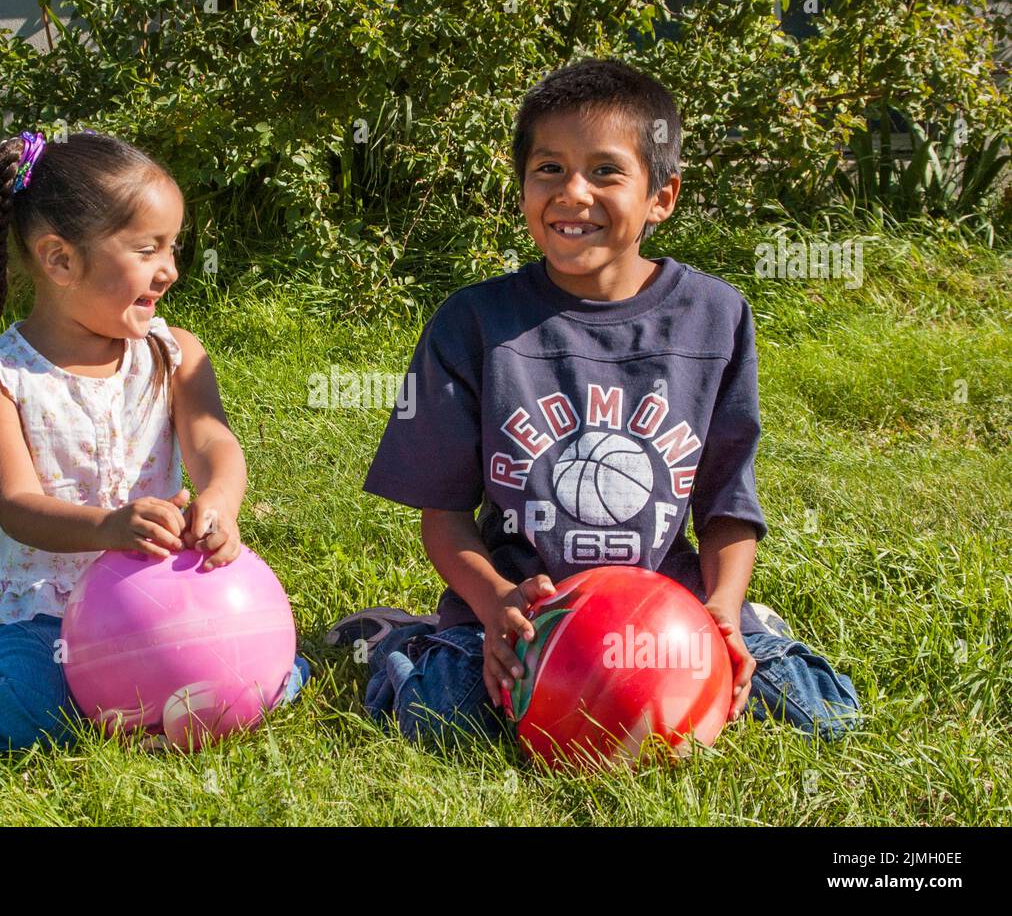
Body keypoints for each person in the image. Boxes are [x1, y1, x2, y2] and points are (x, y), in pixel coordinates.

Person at [331, 59, 861, 751]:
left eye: (606, 172)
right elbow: (445, 516)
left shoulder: (715, 317)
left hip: (663, 614)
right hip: (525, 614)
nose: (572, 193)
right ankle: (401, 638)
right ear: (522, 186)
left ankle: (757, 620)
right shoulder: (475, 323)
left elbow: (729, 507)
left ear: (661, 196)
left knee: (823, 713)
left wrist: (721, 615)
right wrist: (493, 607)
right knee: (445, 717)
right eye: (548, 169)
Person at [0, 130, 309, 750]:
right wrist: (106, 527)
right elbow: (16, 505)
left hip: (160, 598)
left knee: (268, 681)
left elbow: (214, 441)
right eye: (148, 249)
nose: (171, 269)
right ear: (61, 260)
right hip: (43, 610)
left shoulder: (173, 352)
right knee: (42, 717)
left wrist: (221, 501)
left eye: (173, 248)